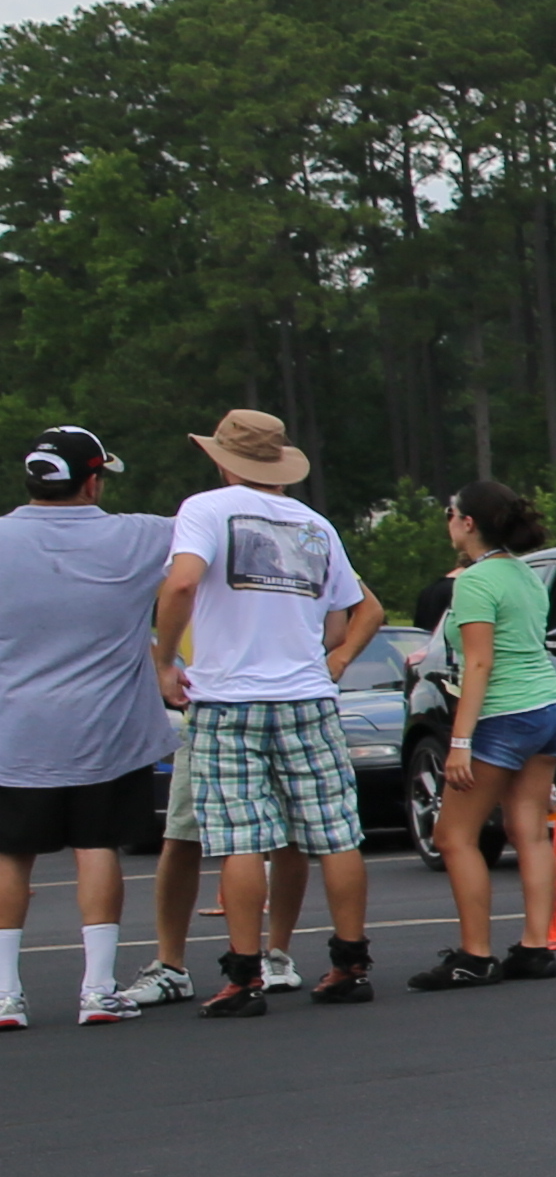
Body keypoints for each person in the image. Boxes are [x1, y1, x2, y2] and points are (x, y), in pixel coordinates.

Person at [151, 407, 386, 1015]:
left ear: (223, 462)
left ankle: (244, 976)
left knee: (241, 839)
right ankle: (350, 963)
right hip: (306, 695)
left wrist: (165, 659)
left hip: (229, 697)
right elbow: (347, 613)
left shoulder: (206, 509)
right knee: (336, 833)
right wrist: (330, 659)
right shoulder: (315, 524)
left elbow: (182, 583)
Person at [0, 423, 178, 1029]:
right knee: (96, 847)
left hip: (15, 731)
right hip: (105, 731)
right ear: (93, 481)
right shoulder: (138, 536)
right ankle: (98, 989)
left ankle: (6, 995)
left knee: (10, 854)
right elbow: (204, 548)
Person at [409, 476, 556, 989]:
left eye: (450, 514)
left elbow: (479, 663)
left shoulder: (474, 582)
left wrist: (460, 743)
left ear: (468, 523)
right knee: (529, 831)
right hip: (550, 706)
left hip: (505, 713)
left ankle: (475, 955)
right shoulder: (525, 574)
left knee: (453, 835)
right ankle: (535, 948)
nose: (447, 523)